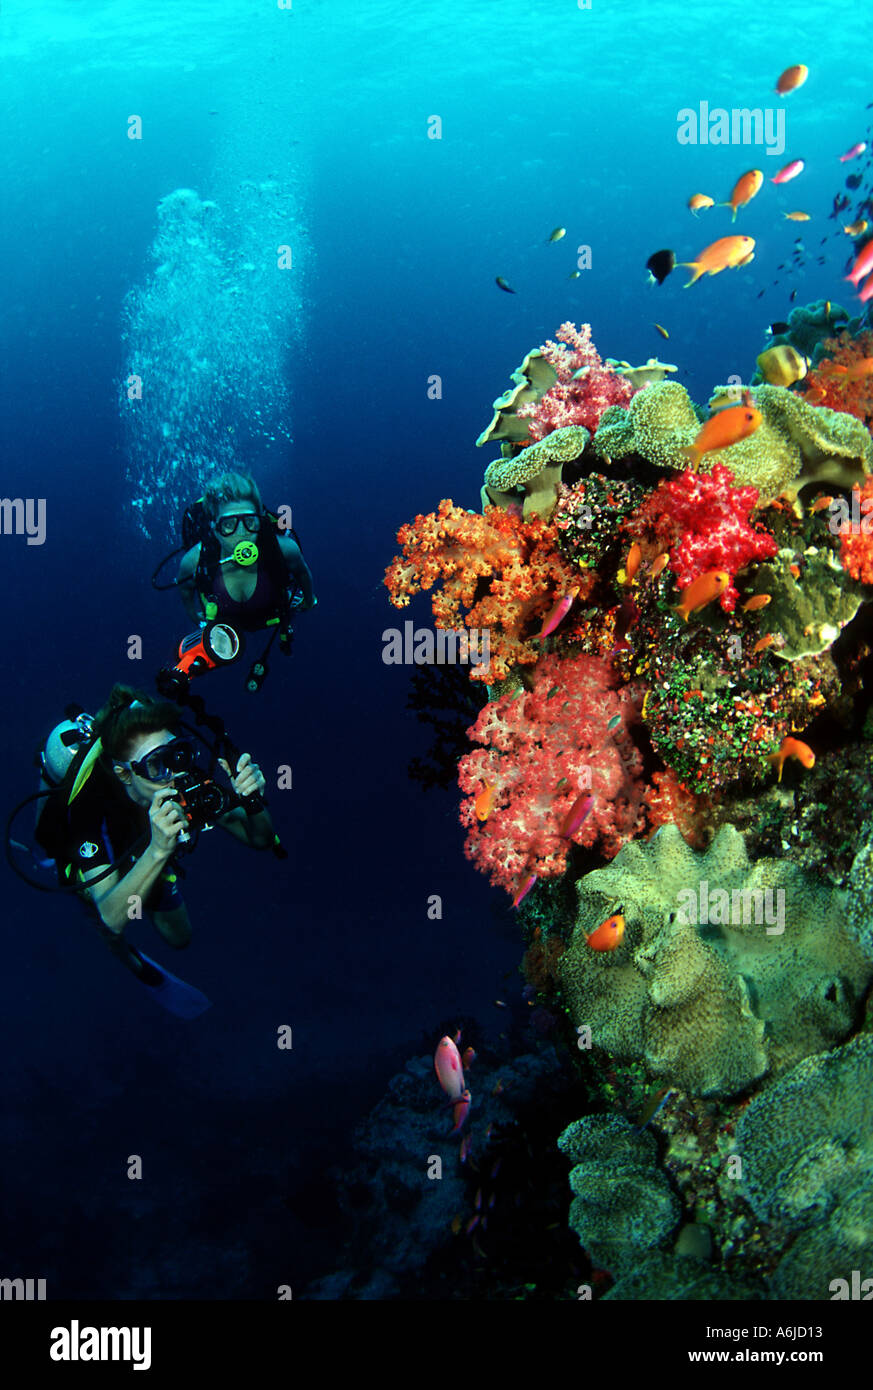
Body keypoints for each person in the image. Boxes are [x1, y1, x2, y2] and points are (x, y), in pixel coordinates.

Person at [40, 685, 276, 1002]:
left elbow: (259, 838)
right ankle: (125, 958)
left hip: (148, 852)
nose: (174, 775)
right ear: (125, 774)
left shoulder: (183, 776)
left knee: (180, 937)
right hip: (110, 856)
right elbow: (112, 917)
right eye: (156, 765)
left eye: (178, 754)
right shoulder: (90, 811)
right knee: (100, 913)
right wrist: (159, 850)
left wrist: (253, 803)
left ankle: (146, 880)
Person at [177, 470, 315, 634]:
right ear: (214, 528)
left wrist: (308, 600)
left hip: (272, 616)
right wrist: (193, 615)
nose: (242, 533)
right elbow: (185, 589)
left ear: (260, 521)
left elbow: (302, 572)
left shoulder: (285, 549)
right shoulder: (193, 561)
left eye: (249, 521)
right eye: (229, 524)